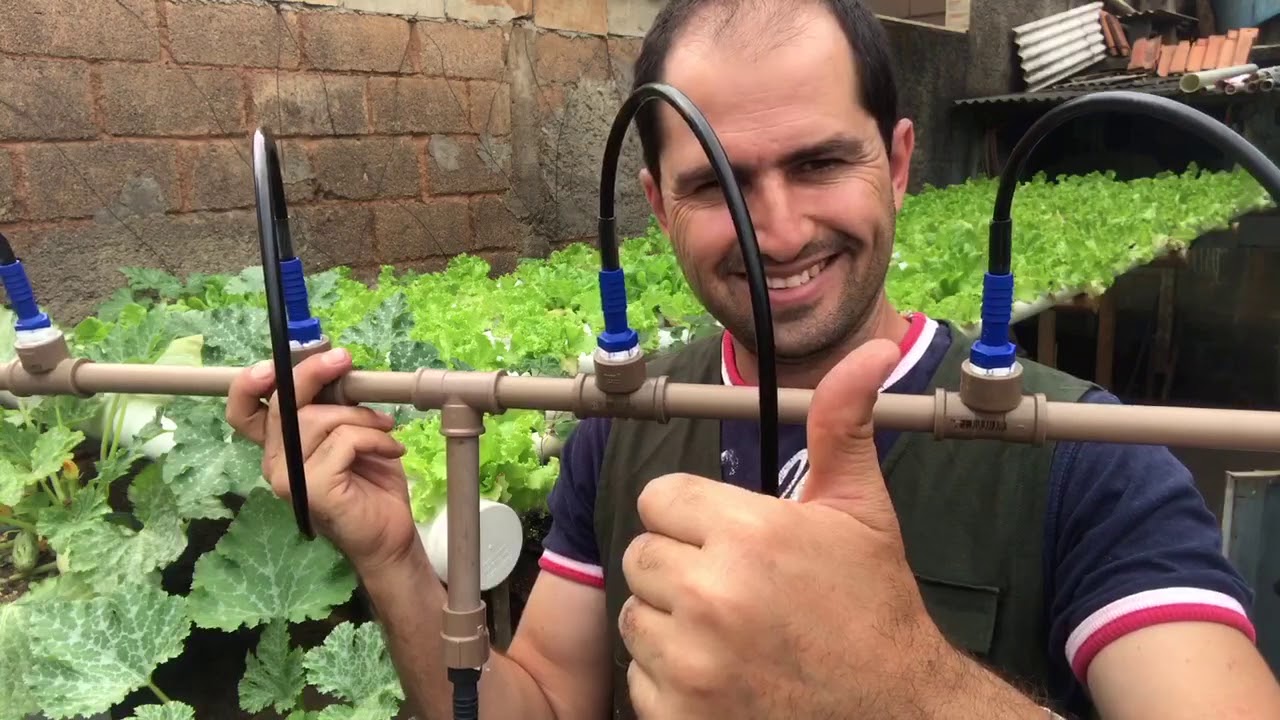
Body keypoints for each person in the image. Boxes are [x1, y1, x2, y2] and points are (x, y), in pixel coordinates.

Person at [227, 0, 1280, 718]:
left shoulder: (1089, 460)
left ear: (898, 163)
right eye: (713, 185)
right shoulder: (624, 427)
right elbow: (537, 703)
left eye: (818, 162)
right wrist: (393, 558)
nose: (774, 229)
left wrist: (896, 688)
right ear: (654, 207)